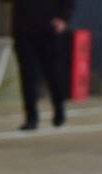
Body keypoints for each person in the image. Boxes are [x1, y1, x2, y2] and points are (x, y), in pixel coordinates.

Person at [9, 0, 74, 131]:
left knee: (53, 74)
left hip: (49, 30)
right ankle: (31, 117)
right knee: (28, 76)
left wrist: (63, 18)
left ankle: (59, 107)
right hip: (23, 31)